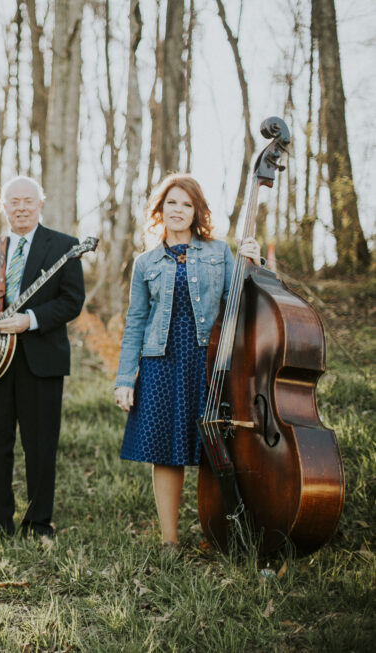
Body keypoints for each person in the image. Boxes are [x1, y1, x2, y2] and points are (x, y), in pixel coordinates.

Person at [114, 173, 261, 547]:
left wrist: (253, 267)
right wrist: (125, 378)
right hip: (160, 365)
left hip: (208, 362)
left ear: (197, 212)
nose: (178, 210)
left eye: (186, 204)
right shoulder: (145, 263)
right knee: (166, 453)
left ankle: (223, 532)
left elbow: (240, 306)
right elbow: (136, 322)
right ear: (160, 209)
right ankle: (170, 541)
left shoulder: (218, 252)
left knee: (218, 447)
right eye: (171, 202)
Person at [0, 175, 86, 549]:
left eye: (28, 200)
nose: (21, 207)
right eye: (14, 202)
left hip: (42, 359)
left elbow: (72, 301)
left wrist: (31, 320)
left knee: (40, 445)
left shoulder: (65, 247)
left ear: (40, 203)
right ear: (4, 207)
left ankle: (39, 523)